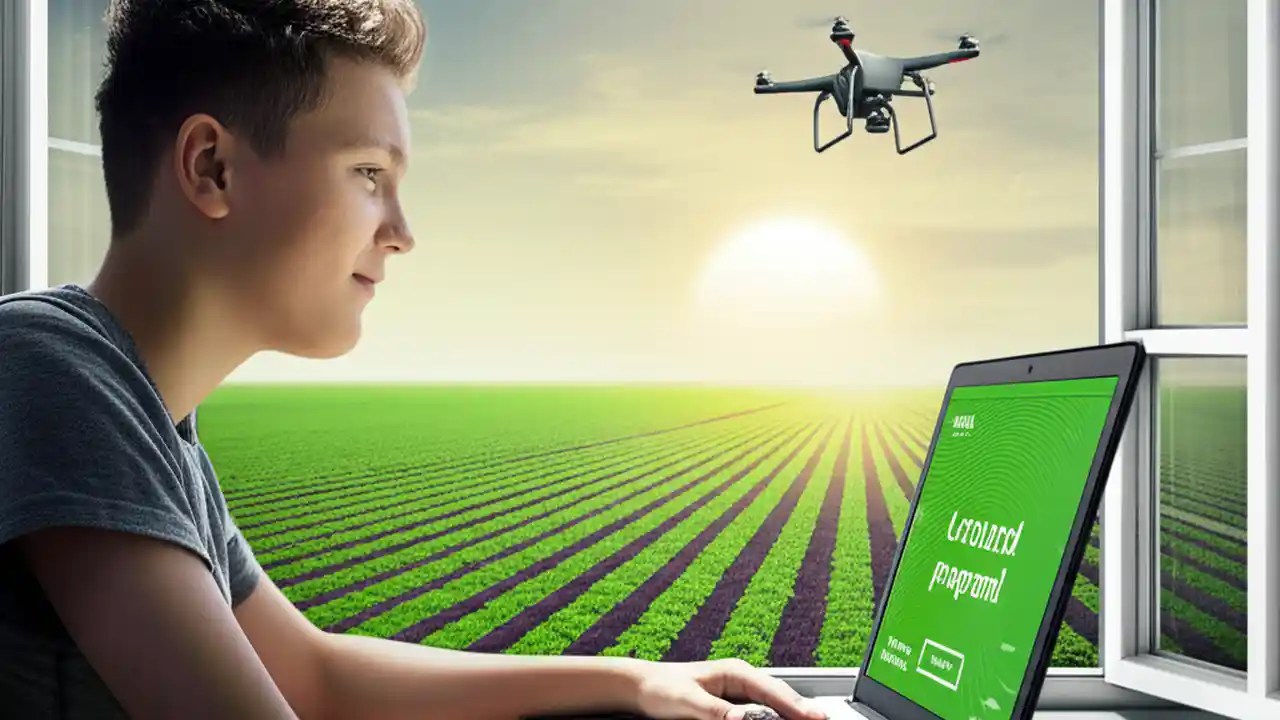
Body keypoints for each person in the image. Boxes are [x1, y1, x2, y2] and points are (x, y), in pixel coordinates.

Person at [0, 2, 832, 719]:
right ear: (212, 168)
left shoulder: (152, 421)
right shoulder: (52, 373)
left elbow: (316, 676)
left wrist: (638, 678)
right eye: (369, 173)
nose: (402, 231)